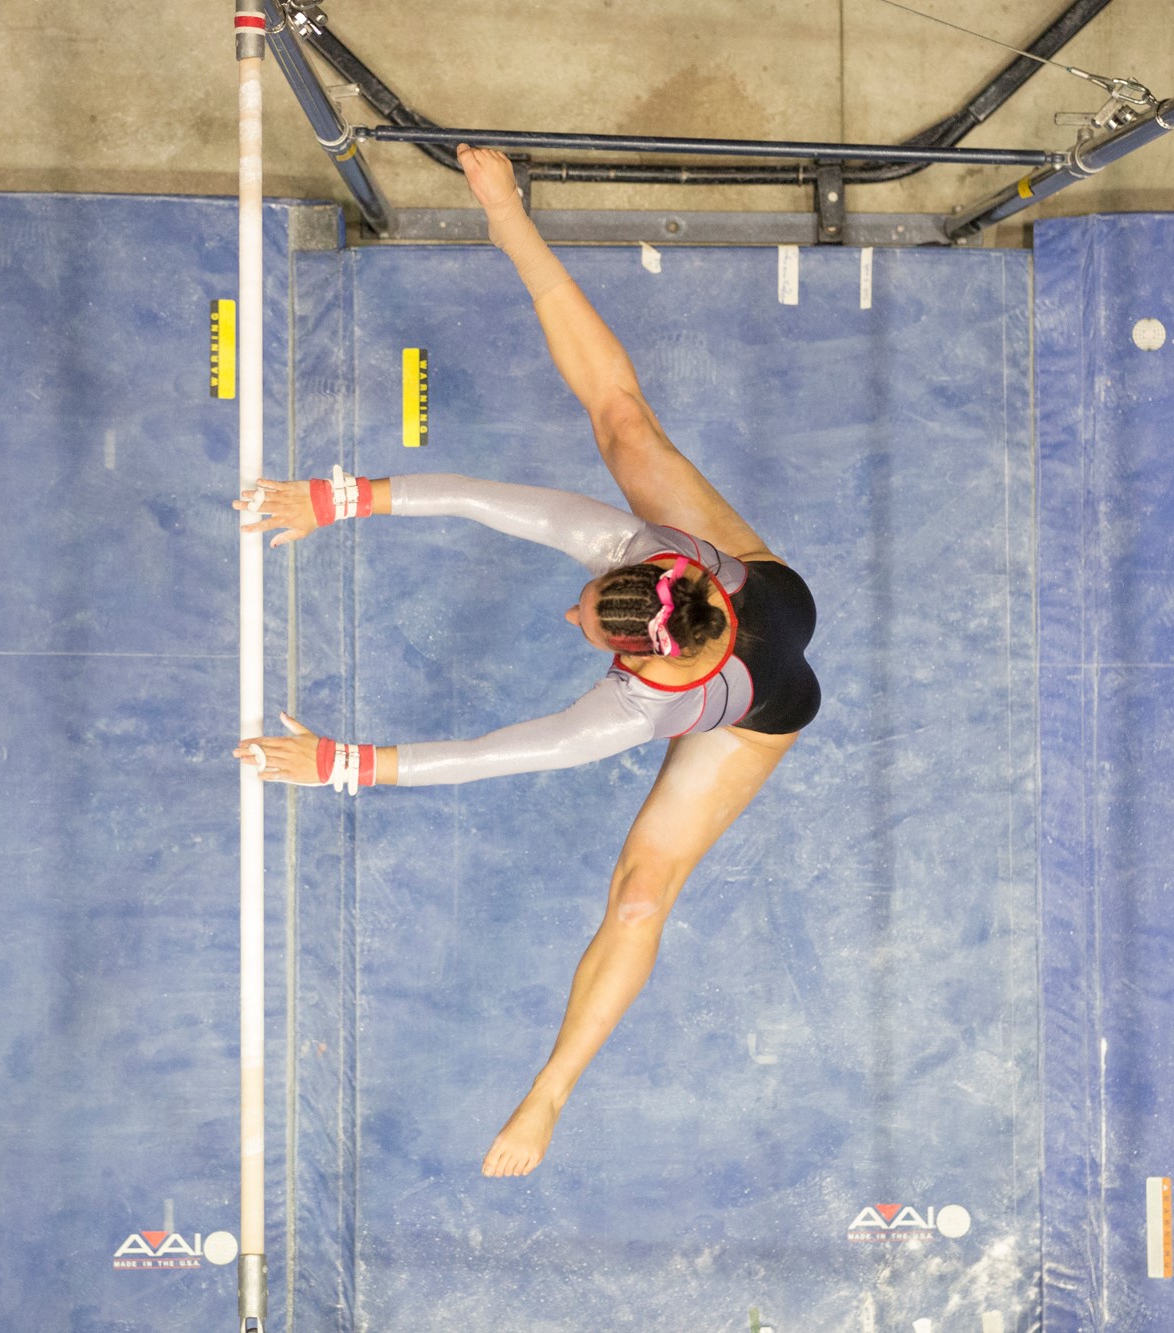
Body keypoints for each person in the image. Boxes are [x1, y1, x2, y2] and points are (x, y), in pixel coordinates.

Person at [234, 146, 820, 1178]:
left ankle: (547, 1096)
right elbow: (476, 496)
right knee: (624, 424)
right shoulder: (652, 555)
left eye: (588, 625)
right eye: (589, 601)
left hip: (757, 703)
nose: (571, 611)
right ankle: (512, 220)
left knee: (641, 893)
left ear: (637, 662)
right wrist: (338, 498)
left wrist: (343, 762)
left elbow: (485, 755)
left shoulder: (632, 714)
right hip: (760, 586)